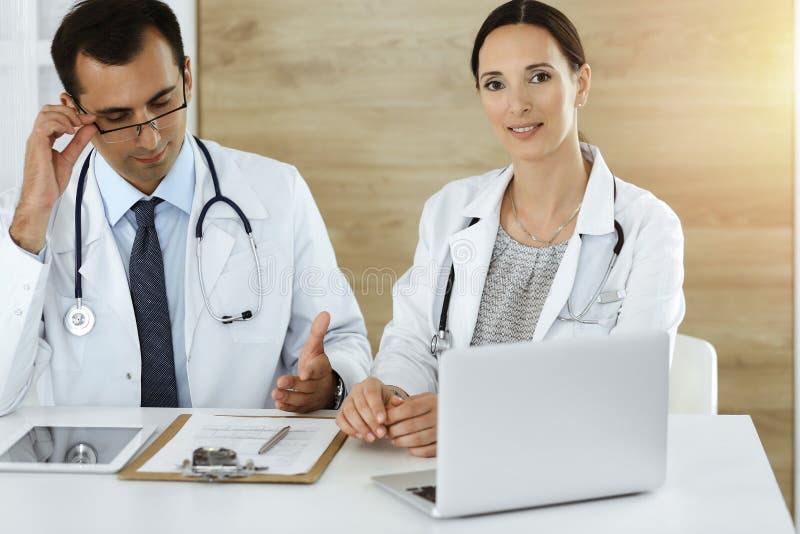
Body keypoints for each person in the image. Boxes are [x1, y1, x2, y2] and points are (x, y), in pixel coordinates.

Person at [336, 0, 685, 457]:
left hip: (572, 472)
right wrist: (392, 397)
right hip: (447, 475)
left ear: (580, 84)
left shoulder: (646, 226)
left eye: (539, 77)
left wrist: (469, 415)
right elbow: (413, 342)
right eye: (495, 84)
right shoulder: (450, 210)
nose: (517, 104)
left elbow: (631, 391)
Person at [0, 0, 371, 414]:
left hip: (241, 469)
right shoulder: (28, 224)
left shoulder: (278, 192)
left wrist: (332, 385)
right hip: (93, 474)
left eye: (162, 104)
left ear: (187, 78)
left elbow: (341, 341)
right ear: (74, 113)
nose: (150, 138)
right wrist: (32, 219)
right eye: (118, 117)